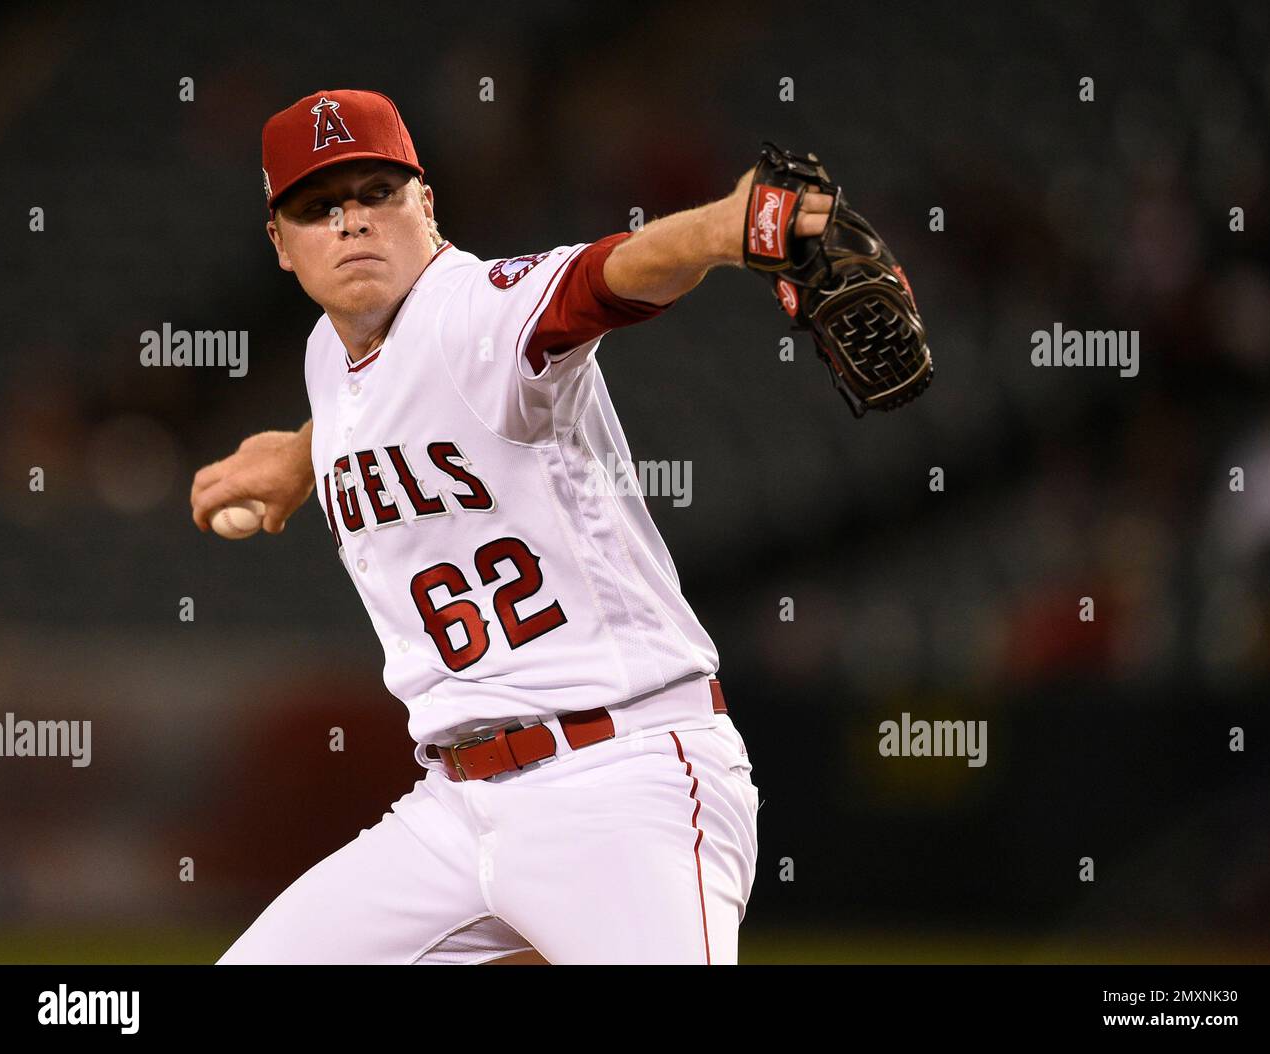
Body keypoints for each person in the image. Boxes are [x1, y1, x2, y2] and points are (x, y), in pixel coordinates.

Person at [191, 88, 832, 964]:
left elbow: (609, 276)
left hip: (622, 778)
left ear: (425, 201)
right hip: (454, 810)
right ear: (280, 245)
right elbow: (388, 397)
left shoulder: (478, 308)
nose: (350, 223)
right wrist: (303, 455)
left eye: (375, 192)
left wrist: (730, 227)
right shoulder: (326, 356)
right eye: (317, 208)